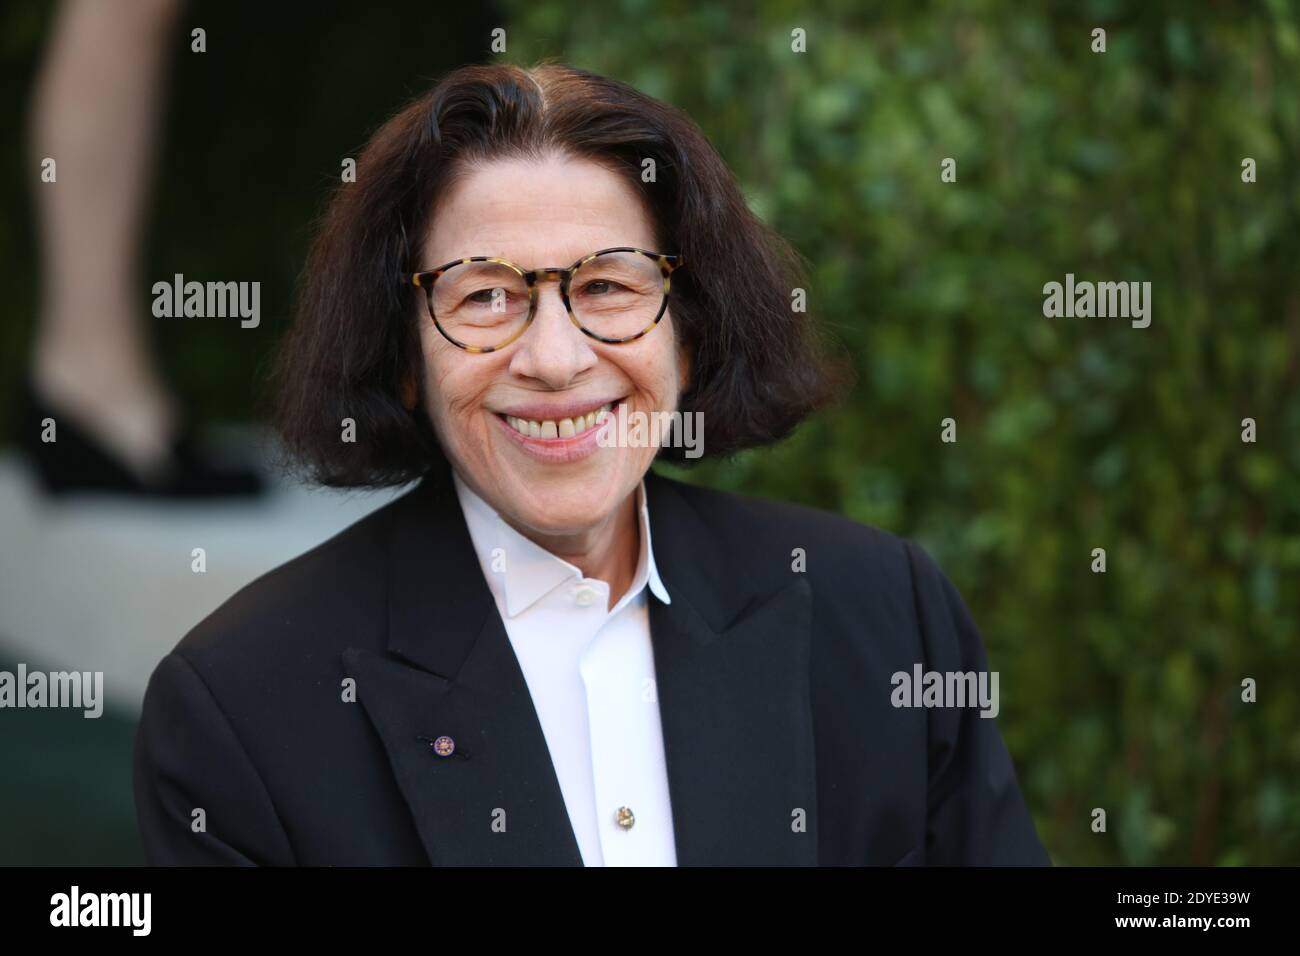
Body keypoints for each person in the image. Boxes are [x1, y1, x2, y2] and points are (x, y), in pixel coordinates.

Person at [133, 61, 1048, 865]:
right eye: (486, 296)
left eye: (607, 285)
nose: (555, 359)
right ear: (403, 355)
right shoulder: (241, 708)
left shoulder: (887, 617)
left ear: (690, 331)